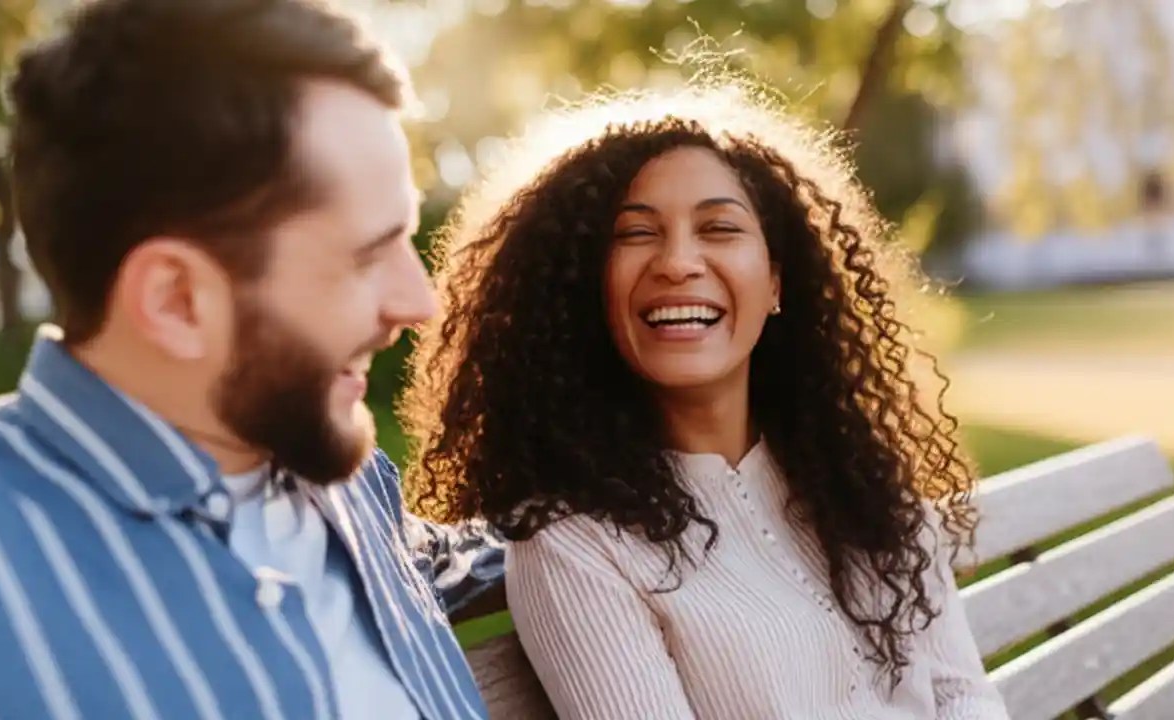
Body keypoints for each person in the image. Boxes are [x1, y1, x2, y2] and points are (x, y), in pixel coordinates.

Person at [0, 1, 500, 718]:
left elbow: (453, 556)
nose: (420, 303)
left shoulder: (337, 473)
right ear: (176, 301)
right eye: (368, 255)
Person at [400, 79, 1011, 719]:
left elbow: (961, 693)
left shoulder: (857, 482)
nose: (678, 261)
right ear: (589, 290)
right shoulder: (574, 544)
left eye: (719, 227)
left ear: (777, 280)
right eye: (635, 234)